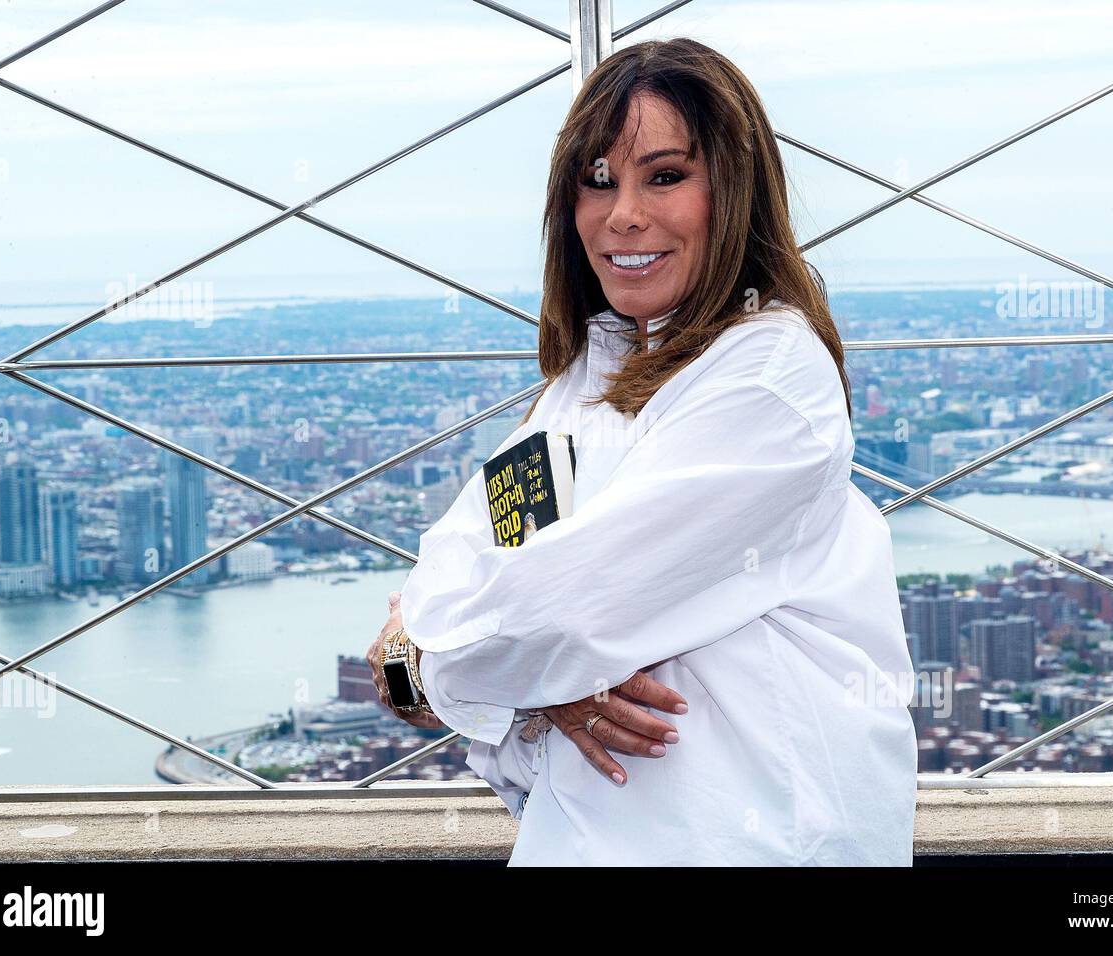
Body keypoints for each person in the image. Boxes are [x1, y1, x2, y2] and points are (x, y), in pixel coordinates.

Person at [366, 37, 917, 866]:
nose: (623, 213)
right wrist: (518, 667)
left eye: (664, 175)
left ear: (734, 190)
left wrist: (445, 653)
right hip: (583, 837)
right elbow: (468, 573)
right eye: (597, 179)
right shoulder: (582, 384)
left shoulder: (768, 379)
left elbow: (554, 611)